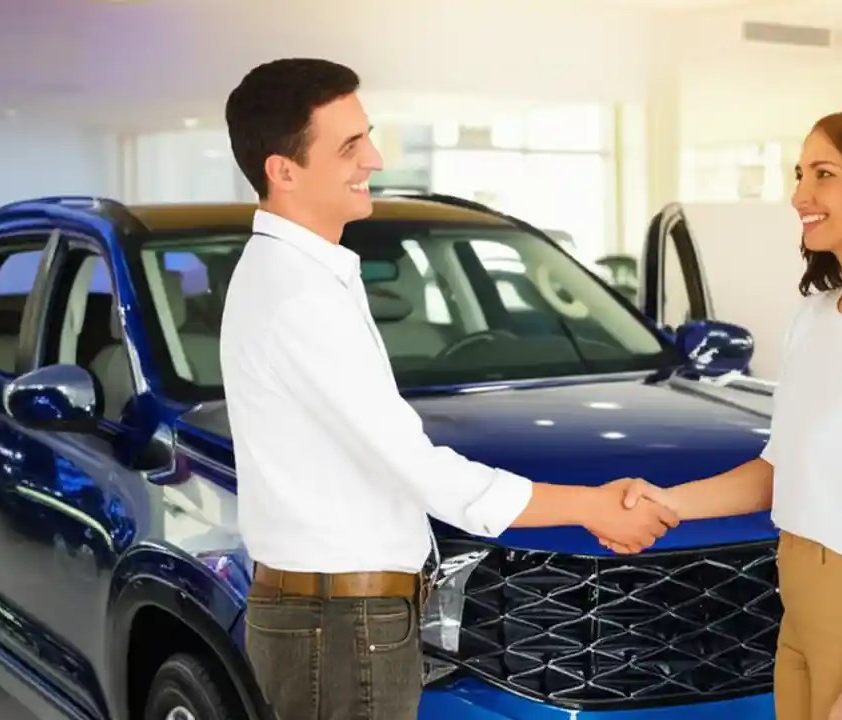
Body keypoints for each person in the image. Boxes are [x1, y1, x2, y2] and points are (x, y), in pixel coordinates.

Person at [220, 58, 678, 720]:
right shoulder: (299, 297)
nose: (373, 157)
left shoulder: (297, 276)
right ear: (283, 170)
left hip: (334, 619)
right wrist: (590, 507)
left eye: (367, 135)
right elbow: (418, 470)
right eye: (350, 146)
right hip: (341, 626)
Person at [616, 109, 842, 720]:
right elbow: (778, 469)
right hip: (798, 608)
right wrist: (667, 503)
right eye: (799, 173)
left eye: (824, 174)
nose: (799, 195)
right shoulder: (814, 319)